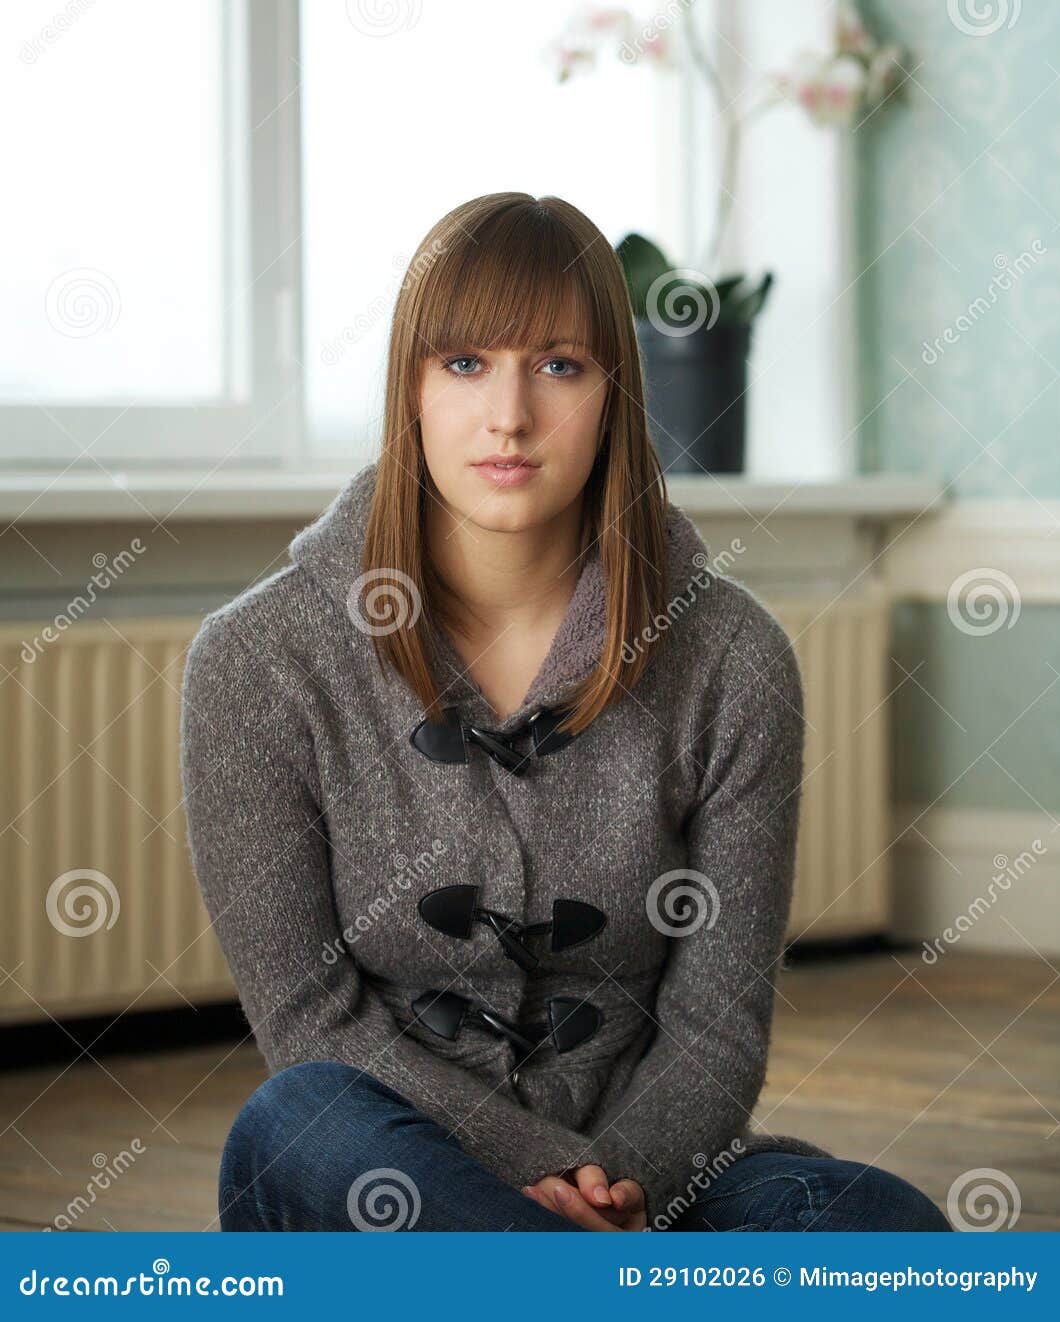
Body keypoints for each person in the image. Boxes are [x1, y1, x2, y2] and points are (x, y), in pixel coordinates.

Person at [180, 192, 952, 1233]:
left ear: (613, 392)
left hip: (651, 1183)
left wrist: (616, 1187)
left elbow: (714, 1029)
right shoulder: (255, 660)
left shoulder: (732, 657)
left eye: (558, 365)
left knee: (872, 1222)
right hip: (392, 1172)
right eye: (462, 365)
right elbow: (310, 1020)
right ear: (407, 388)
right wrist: (531, 1172)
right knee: (296, 1123)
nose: (508, 415)